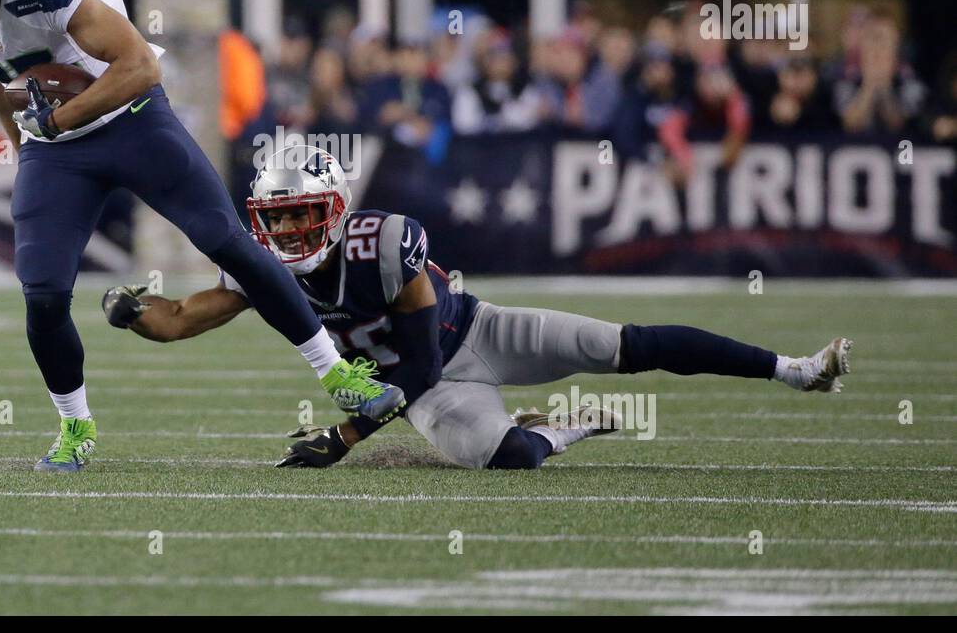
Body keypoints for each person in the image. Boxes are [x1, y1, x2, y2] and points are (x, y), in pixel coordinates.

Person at [0, 0, 397, 471]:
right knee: (41, 291)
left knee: (226, 240)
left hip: (130, 118)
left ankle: (339, 375)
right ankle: (75, 427)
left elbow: (140, 67)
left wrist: (54, 121)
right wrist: (23, 142)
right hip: (55, 148)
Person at [102, 147, 852, 471]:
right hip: (428, 397)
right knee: (512, 458)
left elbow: (423, 354)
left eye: (304, 215)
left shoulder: (383, 243)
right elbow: (178, 320)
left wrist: (346, 435)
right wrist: (129, 311)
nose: (291, 232)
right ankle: (561, 429)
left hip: (474, 334)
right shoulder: (260, 271)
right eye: (280, 218)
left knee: (631, 343)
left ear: (334, 210)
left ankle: (793, 369)